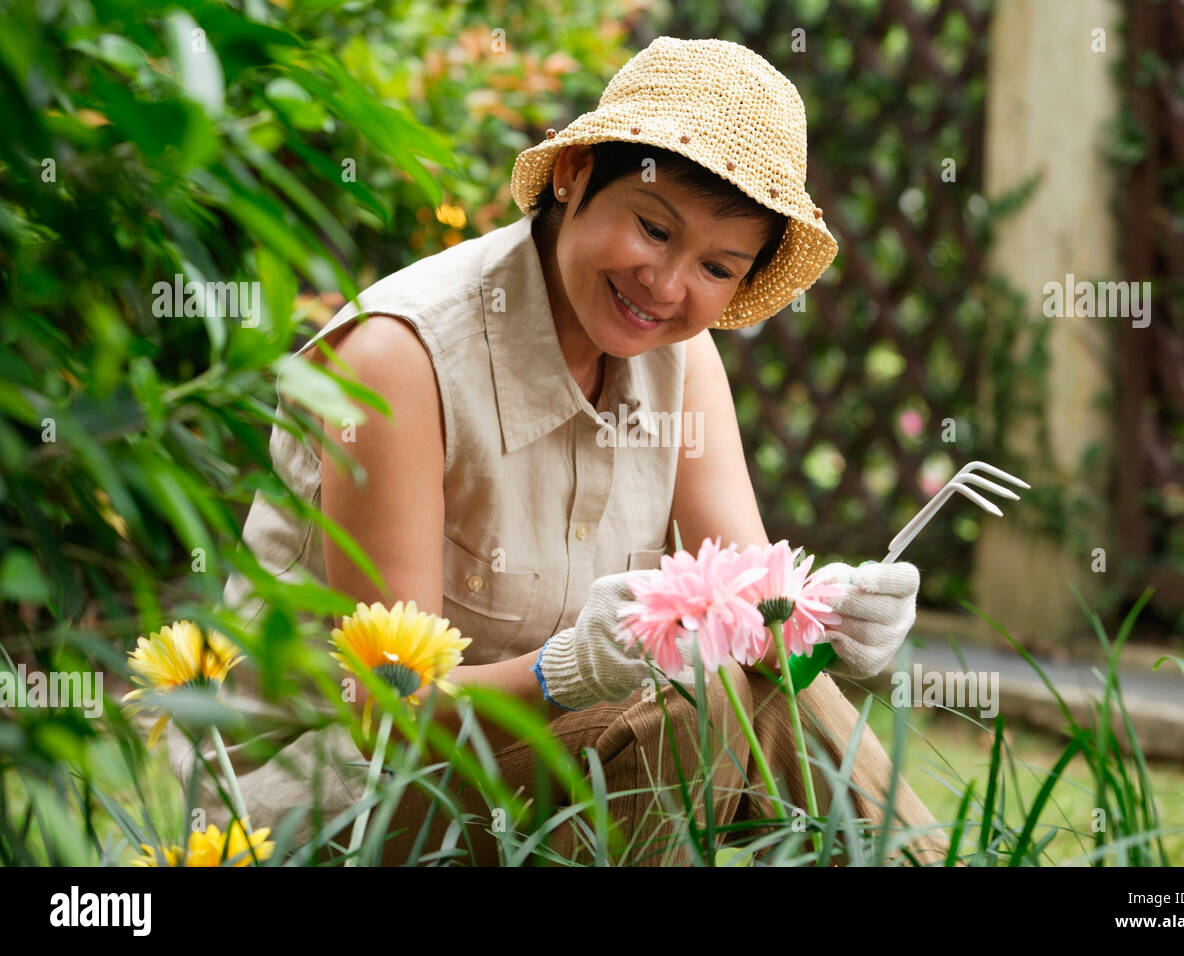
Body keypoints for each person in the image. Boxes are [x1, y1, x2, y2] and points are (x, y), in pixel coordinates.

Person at [169, 36, 950, 866]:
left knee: (750, 682)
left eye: (717, 267)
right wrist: (570, 668)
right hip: (333, 807)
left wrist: (827, 624)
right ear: (576, 171)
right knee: (698, 702)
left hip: (542, 770)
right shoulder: (401, 358)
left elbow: (756, 613)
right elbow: (386, 710)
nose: (669, 285)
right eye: (654, 227)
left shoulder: (683, 361)